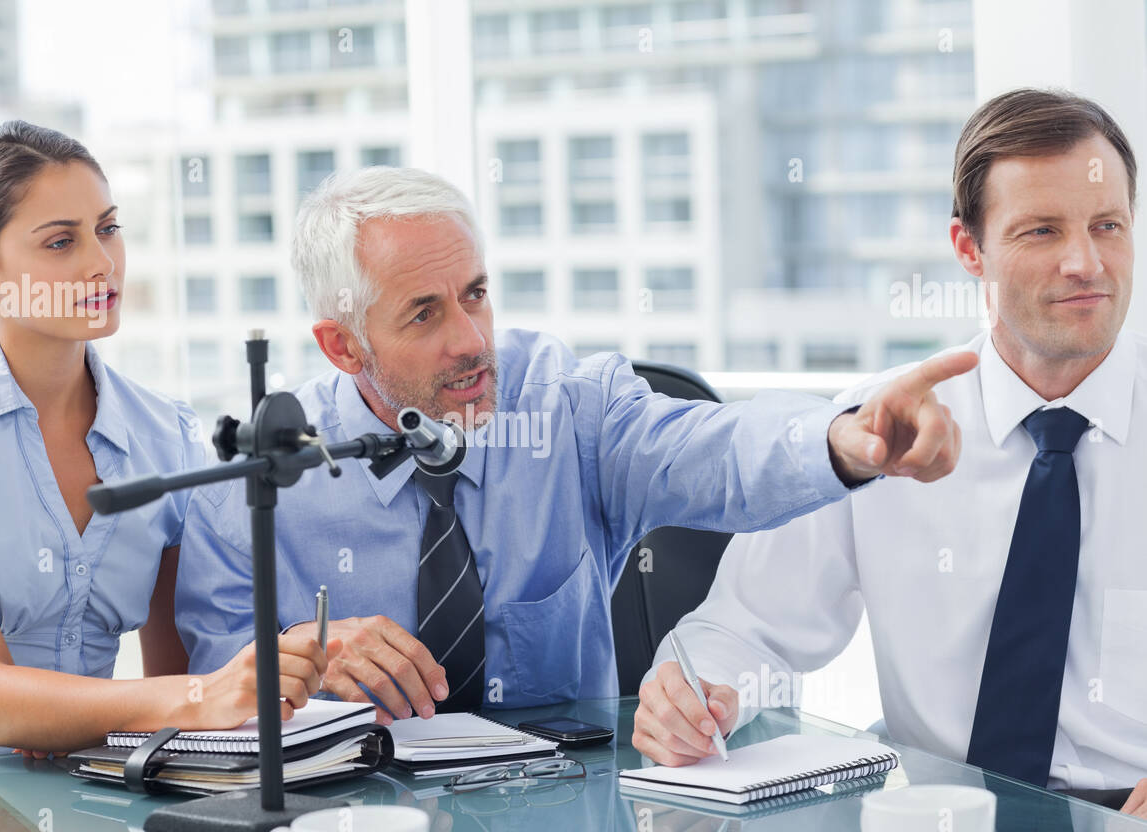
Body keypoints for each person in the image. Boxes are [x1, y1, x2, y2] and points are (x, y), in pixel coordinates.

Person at [175, 165, 976, 724]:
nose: (470, 341)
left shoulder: (567, 406)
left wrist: (843, 440)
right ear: (343, 346)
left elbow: (715, 449)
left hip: (563, 825)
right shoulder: (260, 474)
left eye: (477, 295)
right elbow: (212, 681)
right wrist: (299, 655)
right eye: (424, 314)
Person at [634, 88, 1147, 822]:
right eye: (1041, 231)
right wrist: (694, 695)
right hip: (937, 826)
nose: (1085, 262)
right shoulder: (881, 429)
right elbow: (744, 627)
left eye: (1108, 225)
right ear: (970, 249)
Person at [0, 121, 326, 764]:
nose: (101, 263)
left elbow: (183, 691)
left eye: (107, 228)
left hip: (82, 802)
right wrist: (196, 697)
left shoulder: (168, 437)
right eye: (61, 241)